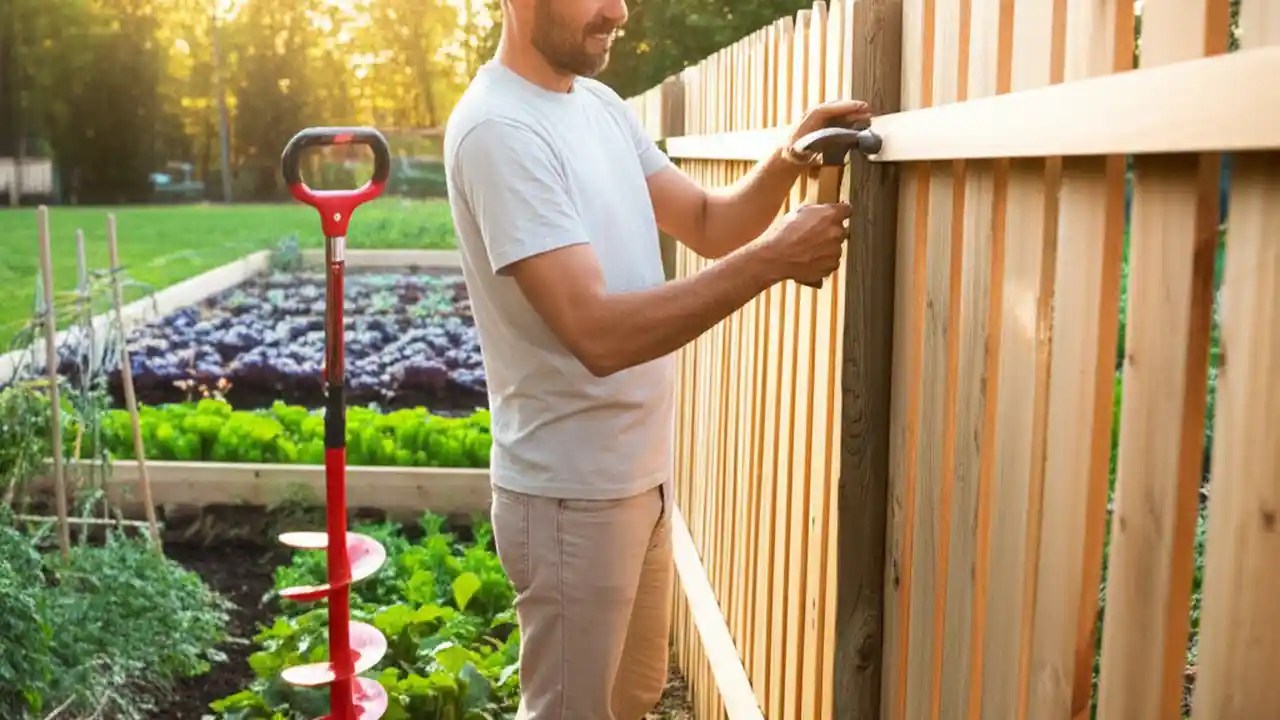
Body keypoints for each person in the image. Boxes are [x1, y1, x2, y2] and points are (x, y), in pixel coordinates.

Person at [441, 0, 870, 715]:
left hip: (638, 480)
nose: (619, 11)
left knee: (632, 696)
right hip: (569, 493)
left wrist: (789, 157)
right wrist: (772, 261)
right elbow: (597, 334)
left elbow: (707, 223)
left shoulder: (599, 107)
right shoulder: (499, 131)